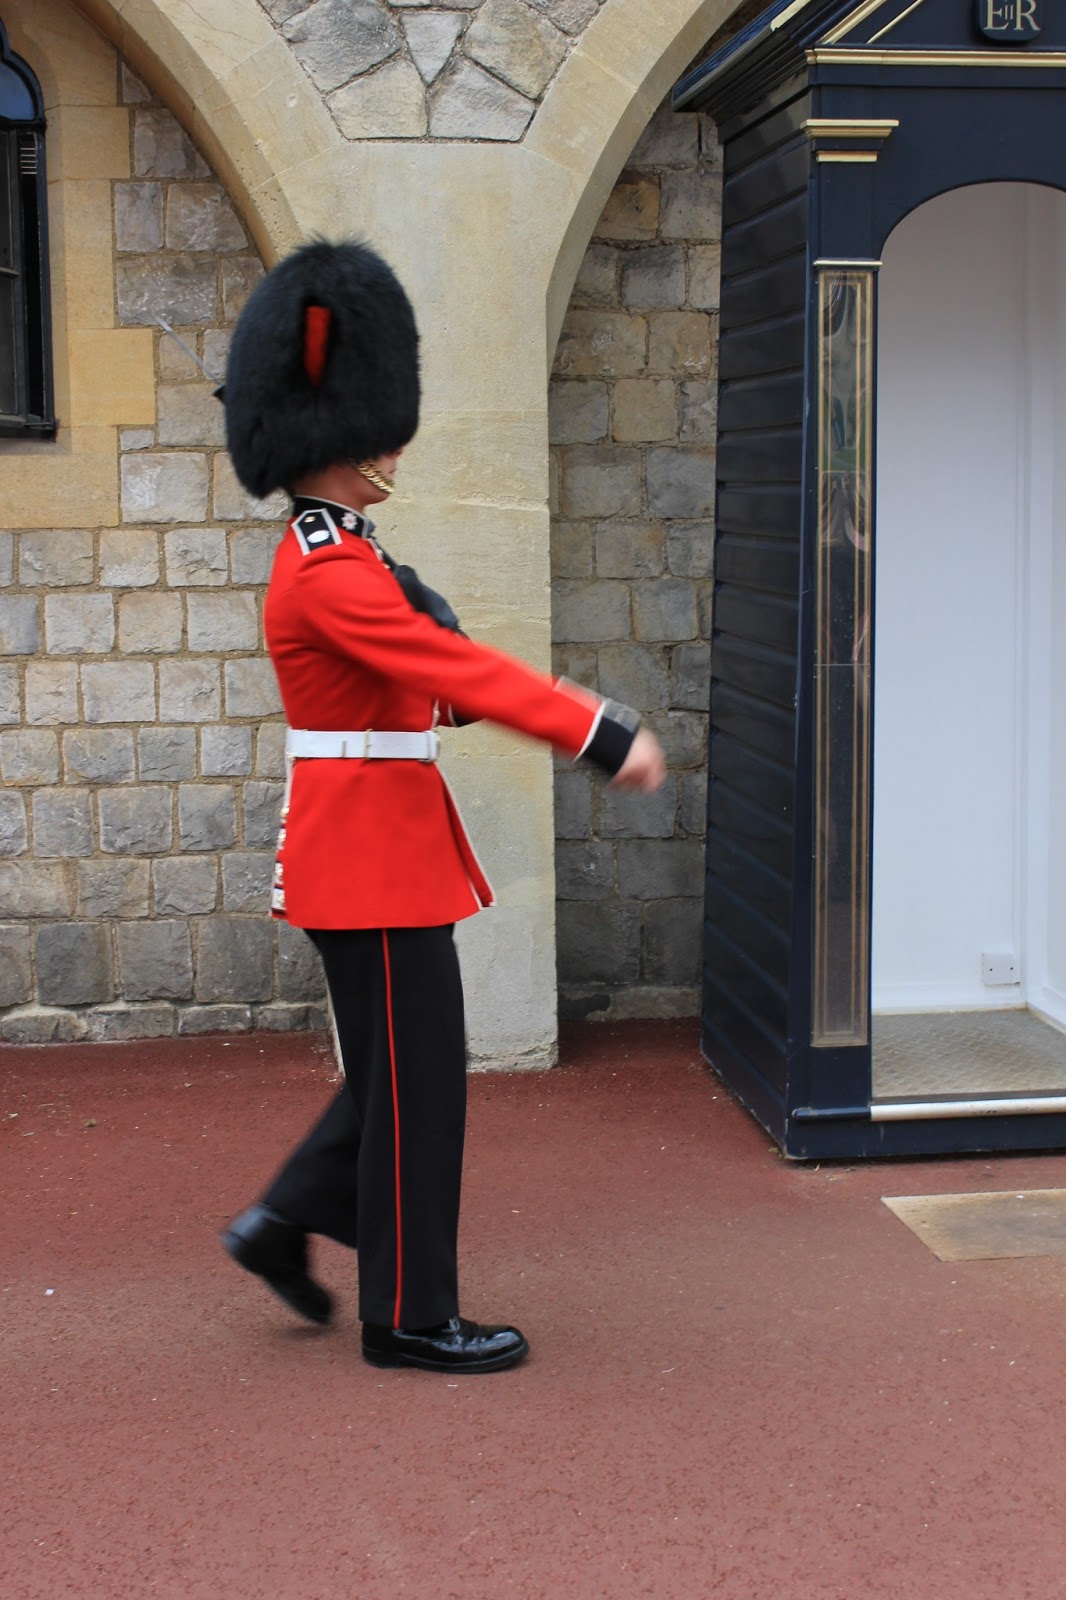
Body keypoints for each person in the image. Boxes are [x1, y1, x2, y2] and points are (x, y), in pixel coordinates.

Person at [218, 239, 665, 1374]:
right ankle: (410, 1314)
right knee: (419, 1094)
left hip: (380, 846)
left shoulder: (347, 556)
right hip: (367, 855)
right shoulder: (329, 568)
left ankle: (280, 1221)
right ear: (340, 432)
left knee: (393, 1077)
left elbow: (414, 684)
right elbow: (445, 671)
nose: (395, 443)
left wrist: (441, 666)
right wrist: (592, 728)